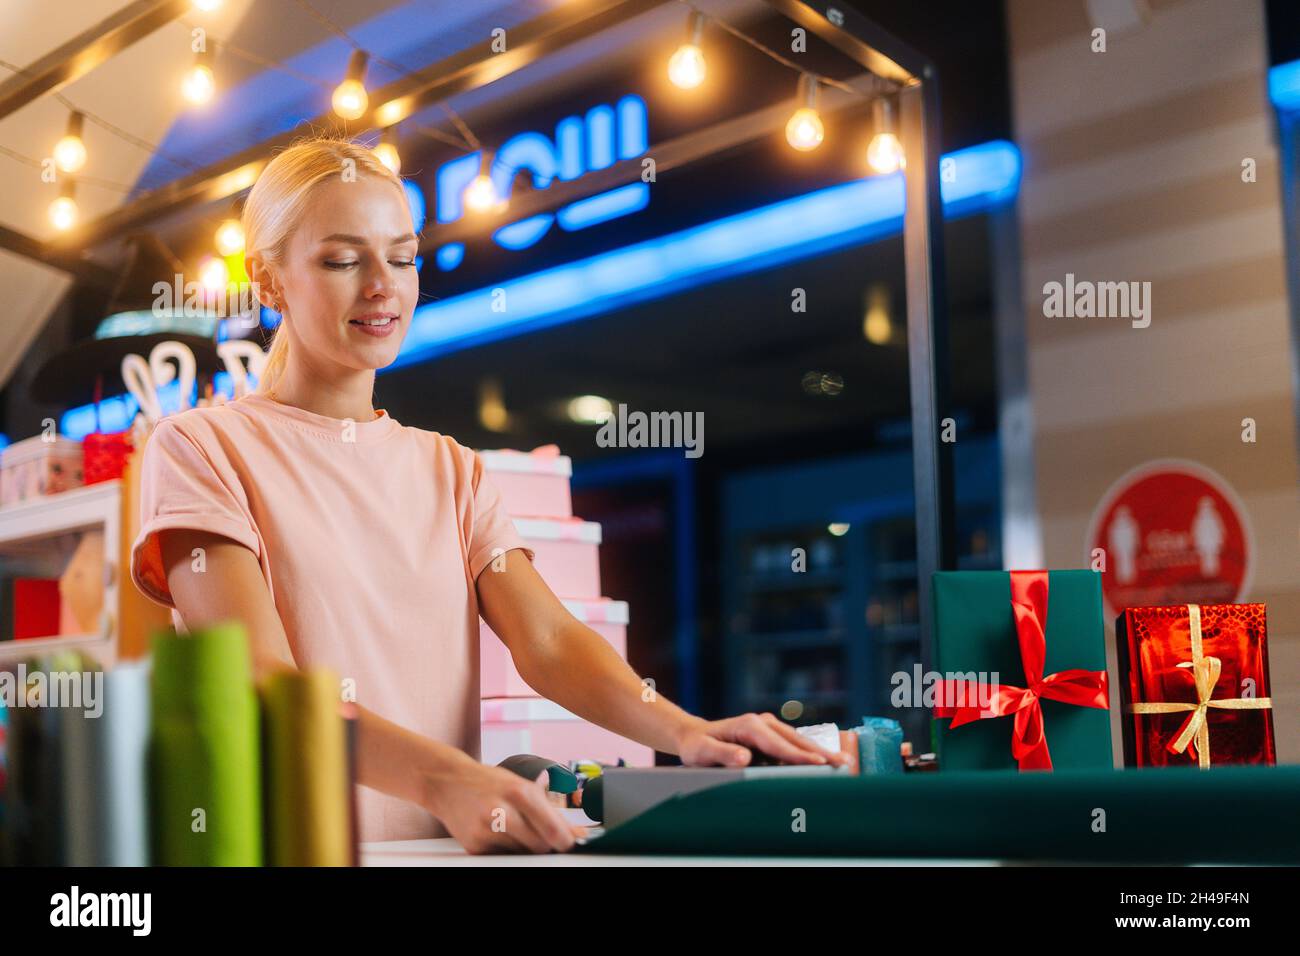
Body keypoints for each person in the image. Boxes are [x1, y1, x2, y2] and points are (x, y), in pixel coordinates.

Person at [129, 137, 842, 855]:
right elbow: (260, 678)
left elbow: (548, 640)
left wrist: (687, 732)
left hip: (440, 855)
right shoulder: (199, 448)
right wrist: (446, 780)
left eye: (402, 258)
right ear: (269, 280)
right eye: (343, 259)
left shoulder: (453, 470)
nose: (382, 285)